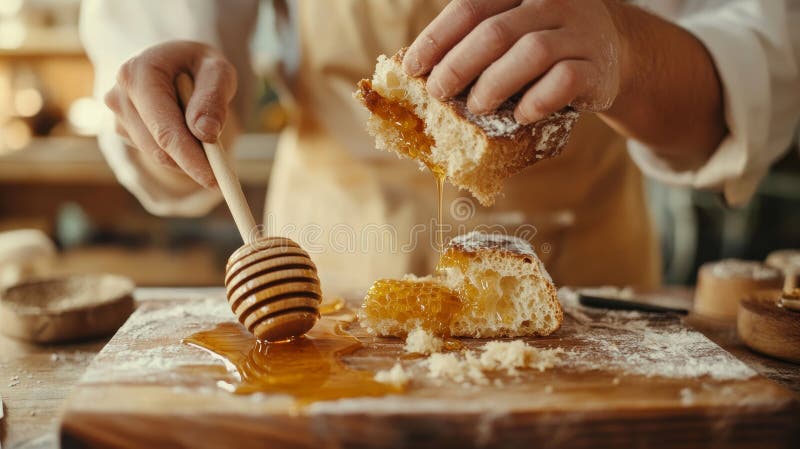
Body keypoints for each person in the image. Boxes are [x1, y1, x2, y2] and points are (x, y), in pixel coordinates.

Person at [80, 0, 800, 299]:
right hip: (329, 277)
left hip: (585, 289)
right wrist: (167, 118)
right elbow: (180, 83)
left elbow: (758, 70)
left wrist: (629, 48)